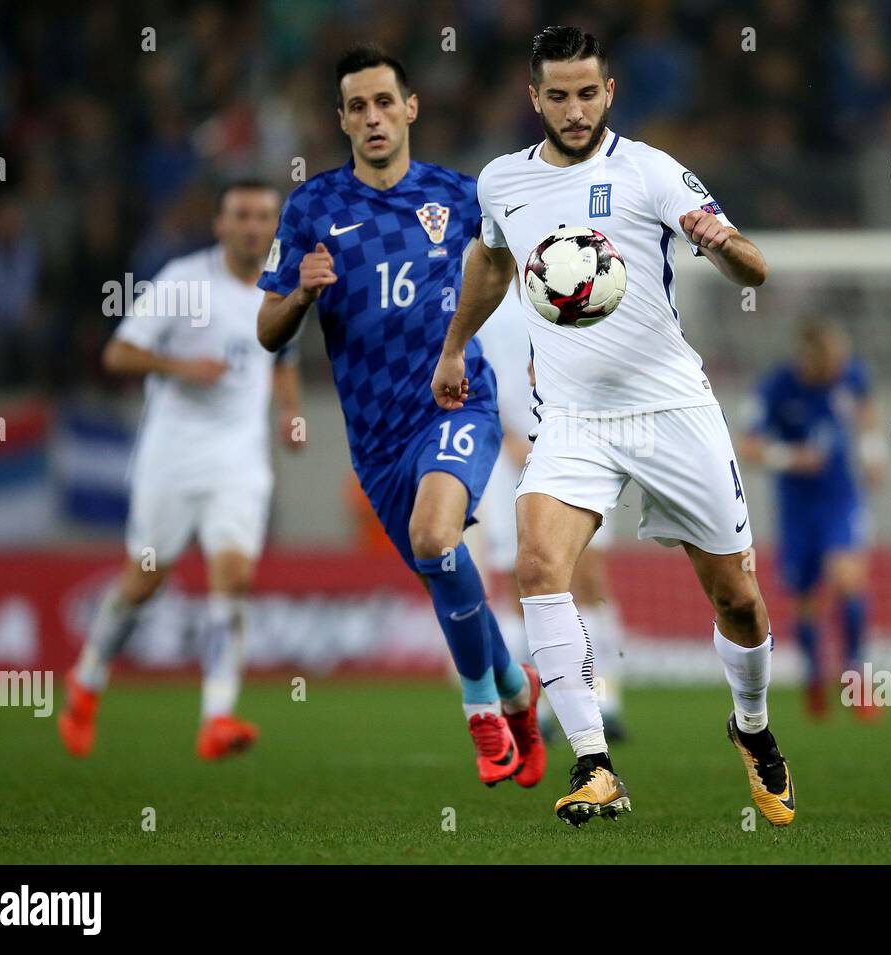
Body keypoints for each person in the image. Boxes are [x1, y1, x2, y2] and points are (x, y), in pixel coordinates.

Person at [431, 26, 793, 827]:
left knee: (736, 599)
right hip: (574, 419)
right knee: (535, 564)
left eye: (586, 92)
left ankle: (754, 726)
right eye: (556, 95)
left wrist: (719, 243)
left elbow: (754, 266)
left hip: (673, 410)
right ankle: (595, 763)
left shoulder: (649, 170)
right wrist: (455, 345)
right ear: (534, 97)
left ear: (610, 91)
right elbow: (491, 262)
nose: (573, 108)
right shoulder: (502, 183)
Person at [255, 47, 544, 788]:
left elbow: (519, 279)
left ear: (410, 108)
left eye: (386, 102)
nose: (374, 117)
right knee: (442, 563)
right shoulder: (313, 208)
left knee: (434, 534)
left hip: (457, 403)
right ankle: (515, 686)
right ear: (342, 119)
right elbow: (267, 330)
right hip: (377, 440)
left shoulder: (461, 195)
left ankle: (481, 706)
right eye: (358, 106)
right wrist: (299, 295)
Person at [58, 180, 304, 761]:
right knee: (145, 581)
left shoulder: (282, 287)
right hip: (170, 458)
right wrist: (178, 366)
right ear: (219, 224)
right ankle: (88, 677)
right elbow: (118, 353)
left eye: (264, 216)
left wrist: (291, 414)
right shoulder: (183, 281)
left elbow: (283, 359)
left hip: (239, 462)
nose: (253, 226)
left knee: (235, 575)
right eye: (241, 215)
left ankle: (217, 716)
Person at [475, 291, 631, 740]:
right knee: (519, 580)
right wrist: (506, 437)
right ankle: (531, 707)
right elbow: (474, 373)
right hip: (505, 453)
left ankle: (605, 699)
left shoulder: (573, 278)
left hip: (579, 449)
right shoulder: (486, 298)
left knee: (589, 578)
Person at [740, 320, 886, 719]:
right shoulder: (777, 388)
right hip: (796, 508)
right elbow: (746, 446)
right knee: (805, 600)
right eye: (831, 361)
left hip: (840, 500)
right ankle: (814, 678)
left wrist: (873, 453)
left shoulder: (850, 375)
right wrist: (789, 457)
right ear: (810, 357)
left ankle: (856, 679)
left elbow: (867, 406)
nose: (839, 368)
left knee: (848, 581)